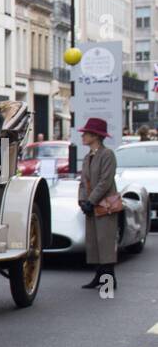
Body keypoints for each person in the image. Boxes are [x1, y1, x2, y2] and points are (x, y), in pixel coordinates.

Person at [77, 117, 120, 292]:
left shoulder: (107, 154)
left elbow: (105, 181)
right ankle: (99, 276)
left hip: (105, 206)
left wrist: (91, 201)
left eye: (86, 133)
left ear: (95, 135)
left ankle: (109, 281)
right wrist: (81, 201)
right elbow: (83, 181)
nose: (82, 136)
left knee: (105, 242)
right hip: (92, 205)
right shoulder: (88, 157)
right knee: (94, 242)